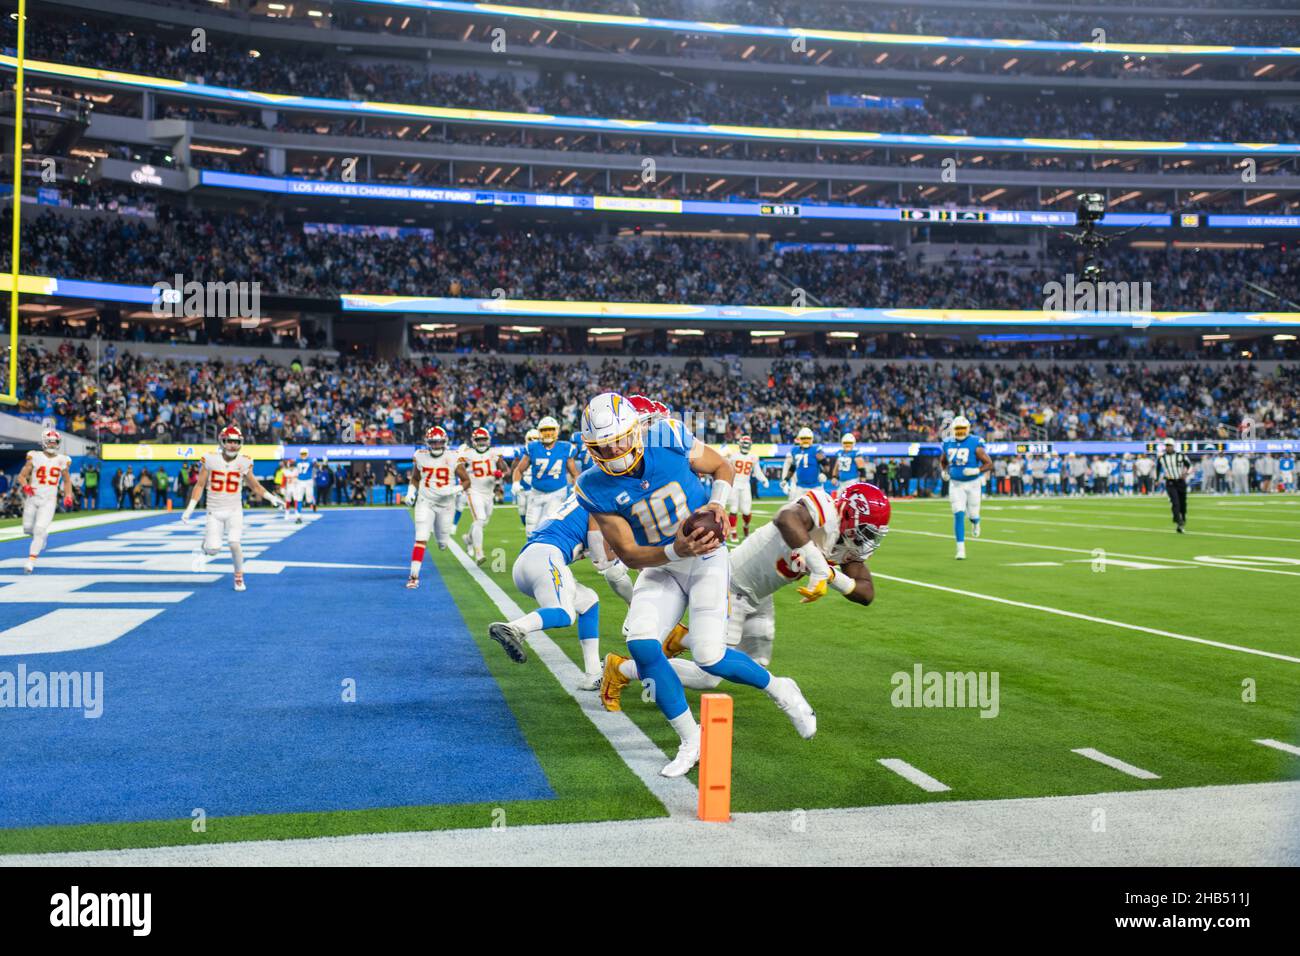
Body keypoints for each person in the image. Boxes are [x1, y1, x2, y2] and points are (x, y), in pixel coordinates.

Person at [576, 392, 813, 777]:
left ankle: (781, 688)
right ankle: (691, 739)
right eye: (603, 446)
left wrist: (718, 503)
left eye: (619, 438)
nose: (615, 450)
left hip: (705, 556)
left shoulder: (668, 435)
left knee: (709, 657)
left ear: (637, 430)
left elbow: (721, 467)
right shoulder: (592, 485)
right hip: (662, 563)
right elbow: (631, 554)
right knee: (641, 643)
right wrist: (674, 549)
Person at [182, 425, 283, 592]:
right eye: (229, 441)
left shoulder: (244, 461)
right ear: (222, 441)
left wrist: (272, 498)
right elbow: (200, 485)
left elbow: (256, 486)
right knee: (213, 549)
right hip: (214, 511)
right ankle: (204, 547)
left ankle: (238, 577)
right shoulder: (210, 459)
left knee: (234, 543)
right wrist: (190, 508)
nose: (232, 445)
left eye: (236, 442)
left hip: (234, 510)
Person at [406, 426, 469, 589]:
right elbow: (415, 478)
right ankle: (413, 576)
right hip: (425, 502)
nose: (436, 446)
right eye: (433, 443)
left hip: (446, 504)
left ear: (445, 442)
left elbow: (467, 480)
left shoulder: (453, 457)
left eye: (439, 443)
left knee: (442, 543)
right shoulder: (420, 456)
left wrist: (454, 489)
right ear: (428, 443)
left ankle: (441, 537)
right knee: (421, 537)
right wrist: (411, 492)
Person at [15, 429, 74, 574]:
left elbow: (66, 481)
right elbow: (21, 476)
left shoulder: (63, 459)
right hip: (33, 497)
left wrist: (68, 495)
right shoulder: (34, 456)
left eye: (55, 442)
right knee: (28, 528)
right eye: (50, 441)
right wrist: (25, 486)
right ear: (44, 442)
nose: (52, 444)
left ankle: (31, 561)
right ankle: (42, 536)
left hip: (49, 499)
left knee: (39, 529)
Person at [511, 417, 578, 535]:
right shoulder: (532, 447)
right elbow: (519, 469)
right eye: (545, 430)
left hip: (557, 493)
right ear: (539, 432)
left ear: (556, 431)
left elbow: (574, 473)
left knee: (545, 523)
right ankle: (531, 551)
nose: (548, 433)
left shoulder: (565, 448)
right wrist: (516, 483)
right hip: (536, 492)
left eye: (551, 430)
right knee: (530, 526)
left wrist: (576, 486)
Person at [940, 415, 992, 560]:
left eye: (963, 429)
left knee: (973, 515)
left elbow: (989, 463)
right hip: (956, 484)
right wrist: (944, 471)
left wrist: (976, 470)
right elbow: (943, 460)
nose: (961, 432)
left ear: (968, 429)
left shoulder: (975, 442)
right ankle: (960, 549)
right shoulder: (948, 442)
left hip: (973, 484)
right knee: (958, 513)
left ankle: (976, 522)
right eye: (958, 429)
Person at [1156, 442, 1192, 533]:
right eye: (1167, 446)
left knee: (1182, 504)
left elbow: (1189, 465)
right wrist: (1157, 479)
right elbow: (1158, 468)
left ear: (1173, 446)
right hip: (1170, 482)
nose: (1168, 447)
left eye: (1170, 446)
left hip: (1180, 481)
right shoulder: (1162, 458)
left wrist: (1186, 473)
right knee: (1175, 502)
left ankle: (1182, 519)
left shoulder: (1180, 456)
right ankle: (1178, 521)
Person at [782, 427, 825, 501]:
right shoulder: (795, 450)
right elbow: (793, 467)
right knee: (796, 509)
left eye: (807, 438)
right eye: (803, 438)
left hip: (816, 486)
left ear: (811, 439)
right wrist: (786, 479)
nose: (805, 441)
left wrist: (824, 473)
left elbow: (825, 464)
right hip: (801, 487)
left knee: (820, 509)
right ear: (799, 439)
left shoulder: (816, 449)